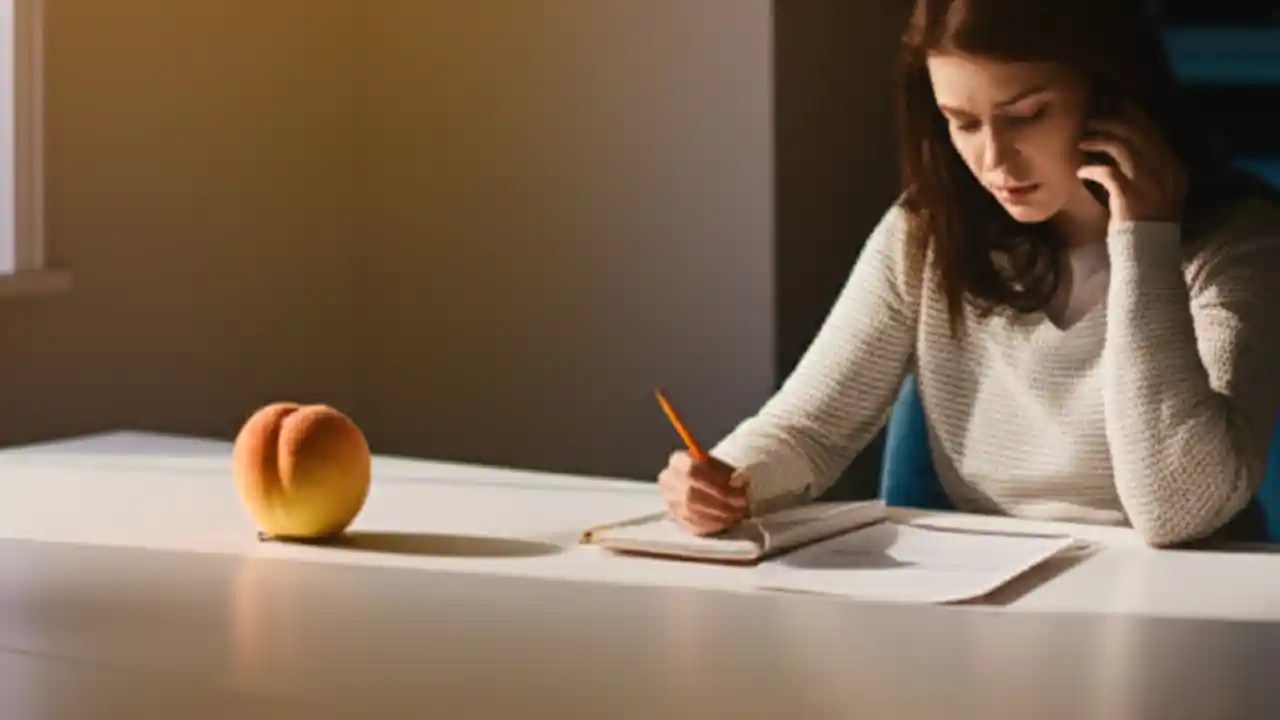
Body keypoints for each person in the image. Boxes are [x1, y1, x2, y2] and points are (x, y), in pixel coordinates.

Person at [657, 0, 1280, 547]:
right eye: (962, 122)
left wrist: (1143, 236)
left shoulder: (1238, 243)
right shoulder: (927, 232)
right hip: (1001, 604)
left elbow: (1177, 512)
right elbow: (810, 430)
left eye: (1027, 114)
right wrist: (723, 481)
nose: (993, 159)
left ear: (1112, 94)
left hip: (1187, 618)